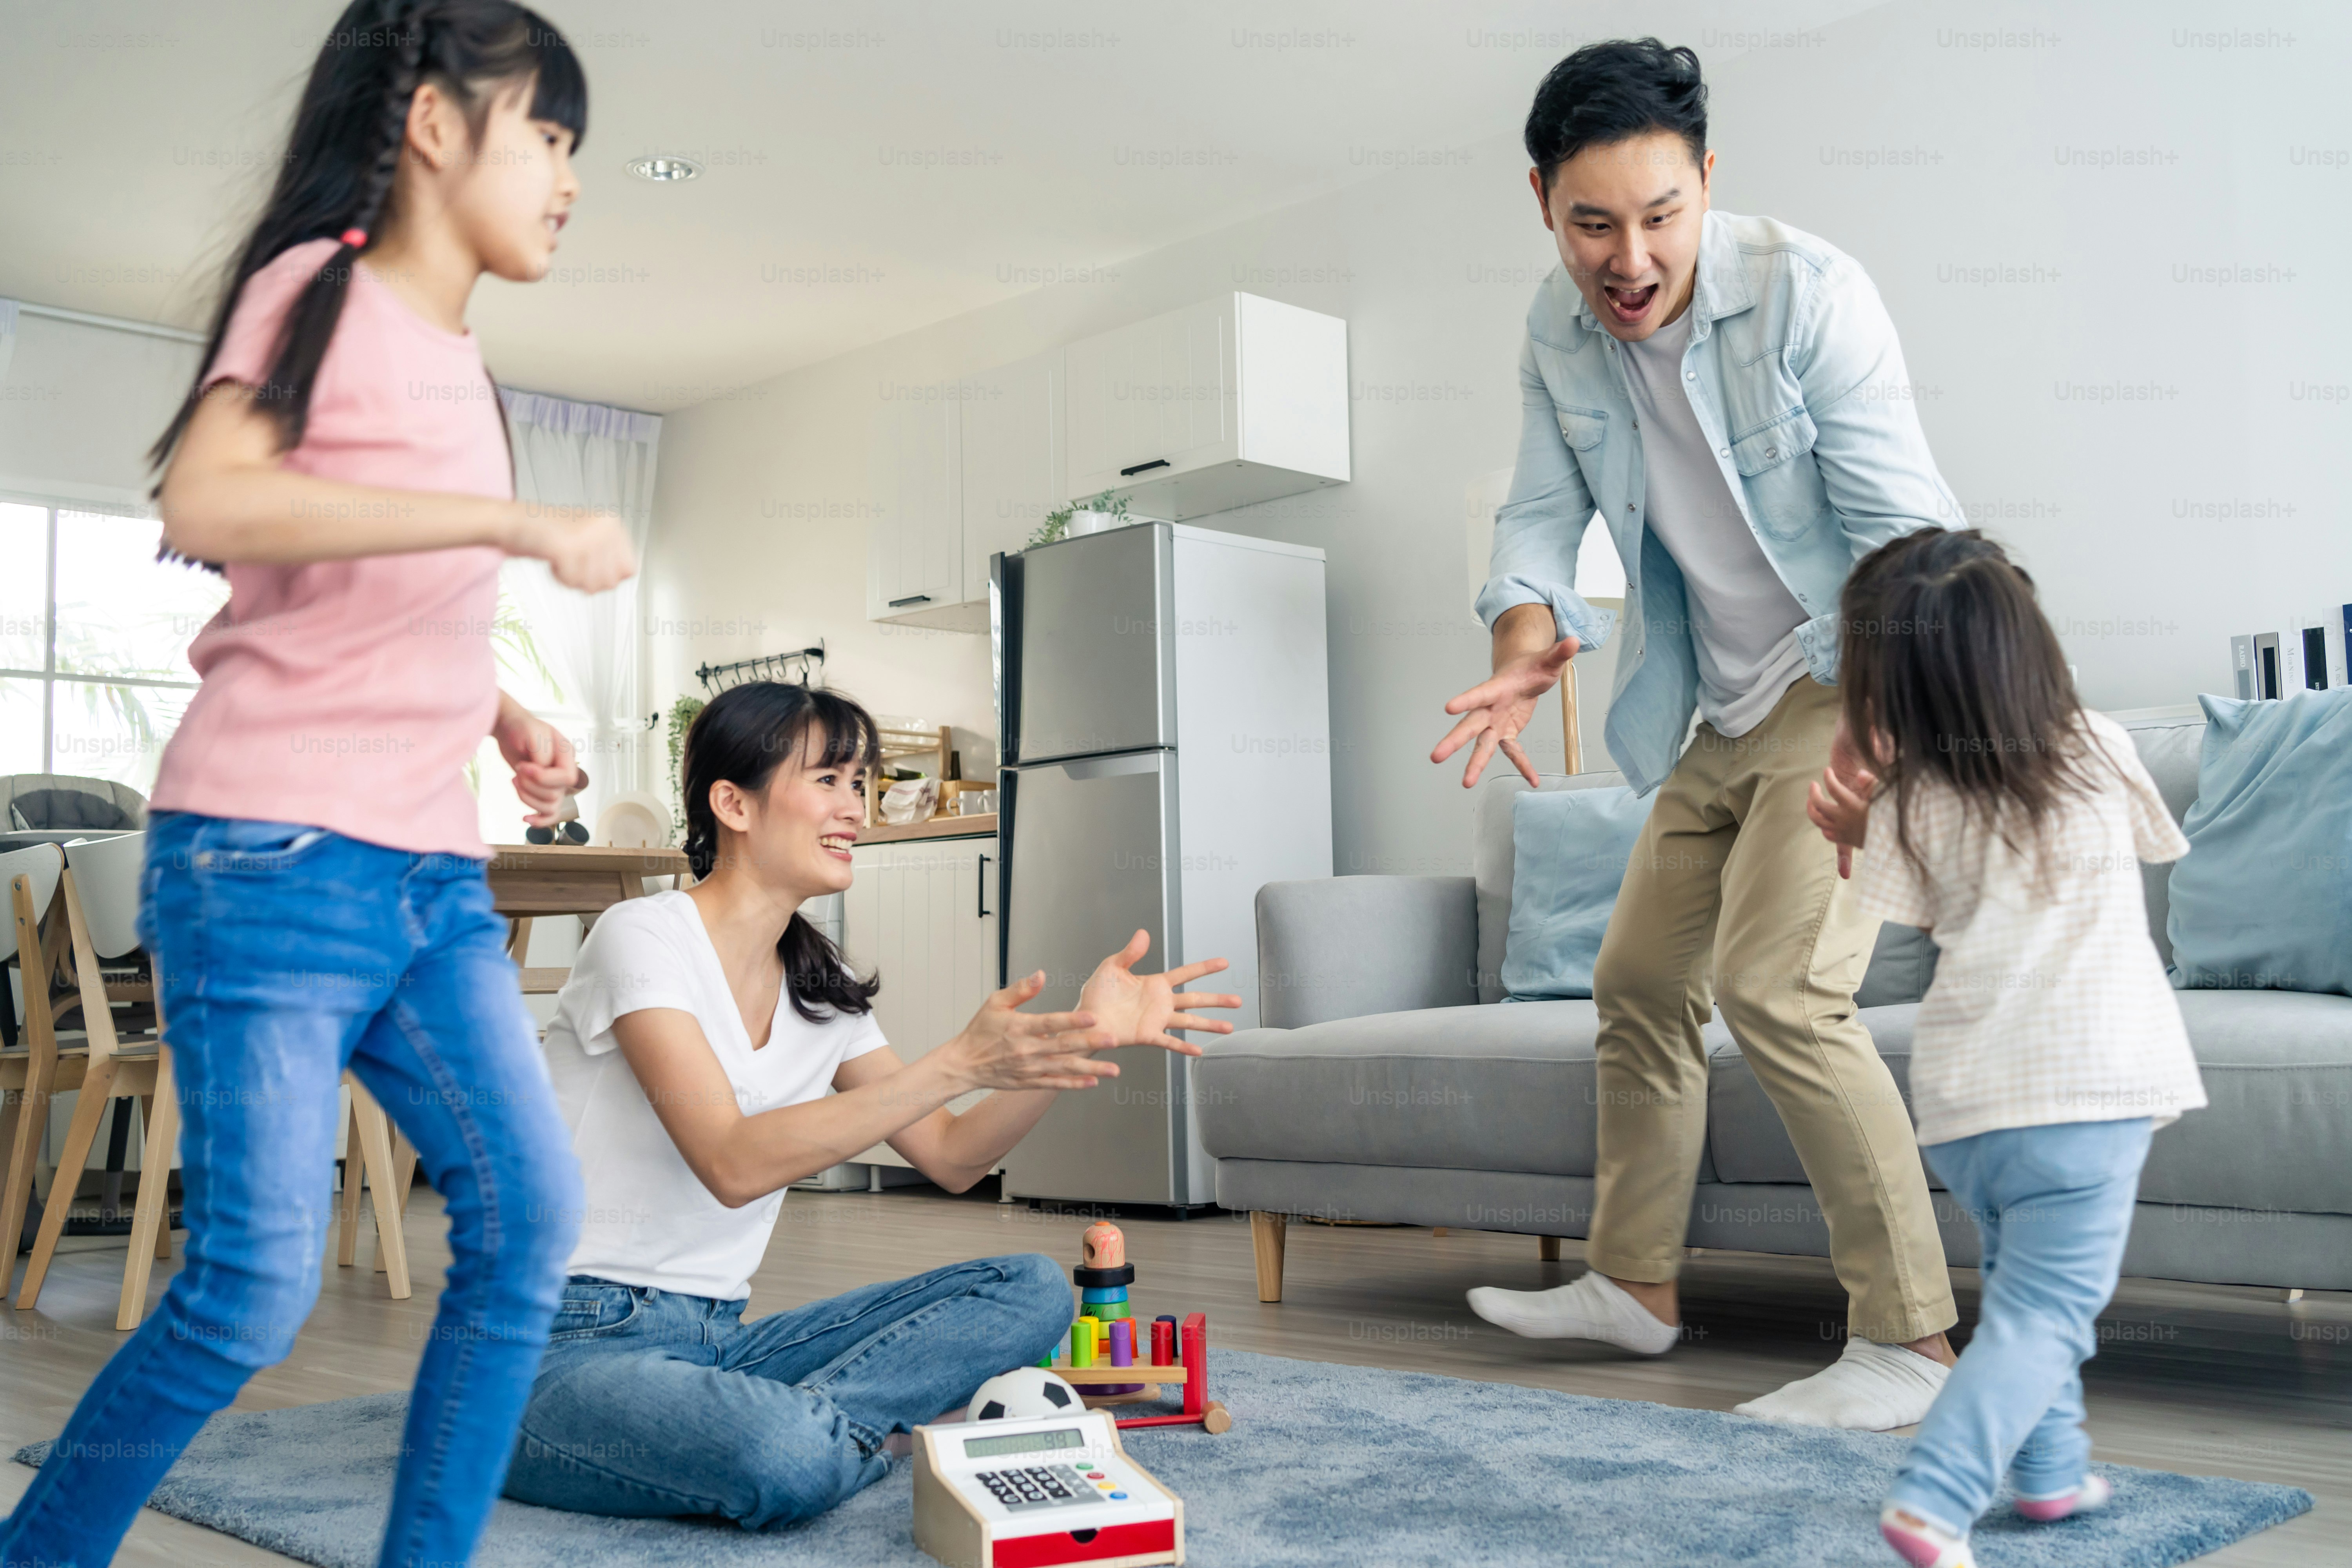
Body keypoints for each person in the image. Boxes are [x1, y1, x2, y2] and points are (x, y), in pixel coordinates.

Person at [0, 7, 634, 1567]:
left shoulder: (465, 364)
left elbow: (367, 586)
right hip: (276, 857)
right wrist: (517, 523)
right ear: (433, 123)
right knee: (253, 1291)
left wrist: (497, 710)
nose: (567, 178)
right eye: (547, 134)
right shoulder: (320, 288)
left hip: (426, 876)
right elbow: (212, 495)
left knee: (529, 1221)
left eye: (576, 150)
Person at [1434, 38, 1967, 1428]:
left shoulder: (1807, 295)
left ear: (1707, 185)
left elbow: (1907, 537)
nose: (1629, 258)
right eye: (1592, 223)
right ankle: (1636, 1288)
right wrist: (1520, 650)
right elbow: (1539, 529)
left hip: (1848, 673)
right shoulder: (1556, 336)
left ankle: (1911, 1345)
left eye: (1661, 216)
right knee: (1638, 982)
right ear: (1541, 202)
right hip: (1703, 701)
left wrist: (1884, 742)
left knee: (1780, 987)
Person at [499, 681, 1240, 1530]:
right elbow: (732, 1160)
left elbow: (955, 1157)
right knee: (782, 1453)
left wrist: (1075, 1041)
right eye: (828, 779)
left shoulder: (824, 989)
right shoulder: (644, 936)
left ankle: (822, 1432)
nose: (855, 805)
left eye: (860, 782)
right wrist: (958, 1060)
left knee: (1029, 1285)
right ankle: (857, 1436)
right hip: (555, 1346)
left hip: (720, 1342)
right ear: (732, 802)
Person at [1808, 528, 2204, 1568]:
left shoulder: (1911, 803)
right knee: (2051, 1313)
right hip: (2089, 1090)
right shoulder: (2098, 746)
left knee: (2030, 1299)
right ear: (2029, 649)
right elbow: (2157, 845)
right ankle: (1935, 1497)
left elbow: (1922, 917)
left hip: (1966, 1108)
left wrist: (1857, 825)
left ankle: (2050, 1475)